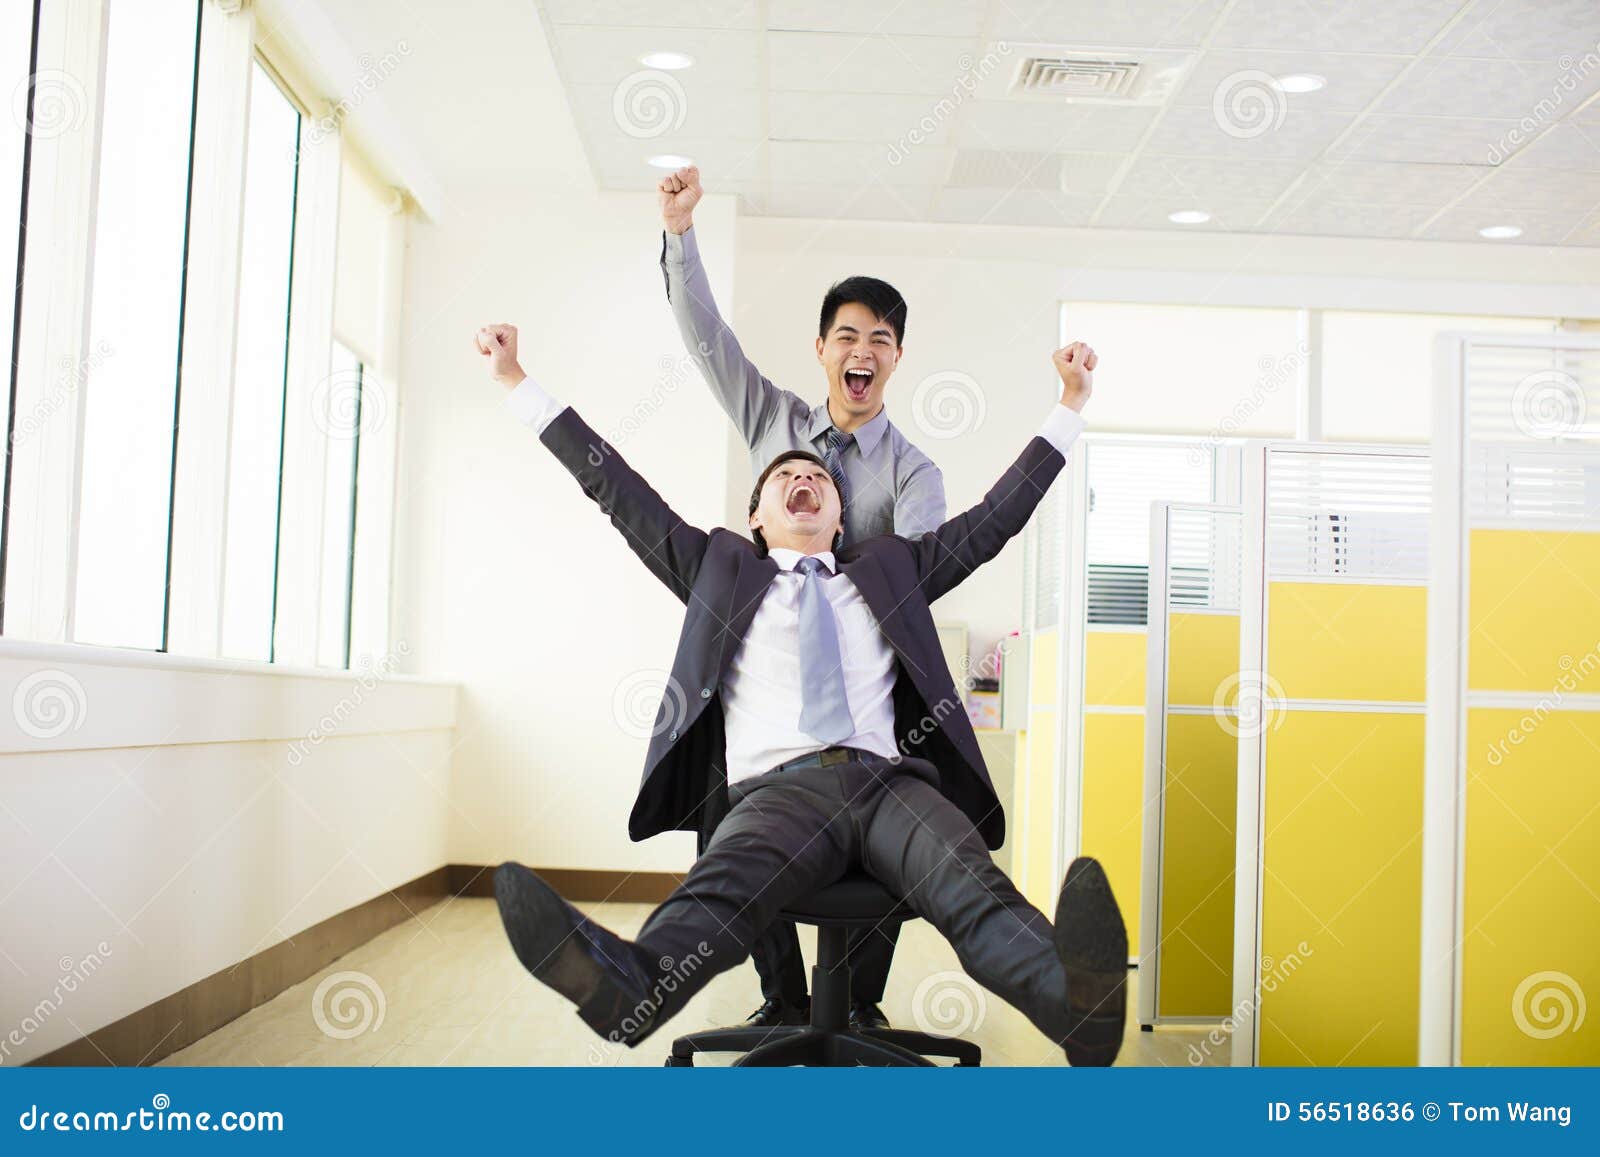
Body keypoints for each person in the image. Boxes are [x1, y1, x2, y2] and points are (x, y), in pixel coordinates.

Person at [473, 322, 1126, 1065]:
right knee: (716, 893)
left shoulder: (888, 568)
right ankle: (631, 986)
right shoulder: (717, 566)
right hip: (777, 796)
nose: (804, 479)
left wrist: (1069, 405)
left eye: (818, 478)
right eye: (784, 478)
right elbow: (615, 488)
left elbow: (993, 522)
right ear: (757, 516)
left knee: (972, 886)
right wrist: (516, 382)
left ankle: (1072, 999)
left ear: (841, 515)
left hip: (891, 787)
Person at [657, 164, 946, 1030]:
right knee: (726, 801)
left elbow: (923, 575)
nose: (864, 350)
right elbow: (705, 334)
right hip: (764, 680)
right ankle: (783, 995)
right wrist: (678, 232)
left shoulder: (914, 473)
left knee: (904, 793)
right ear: (822, 348)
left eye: (882, 338)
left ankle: (858, 1006)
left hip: (865, 689)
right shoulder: (770, 420)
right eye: (848, 334)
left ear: (896, 357)